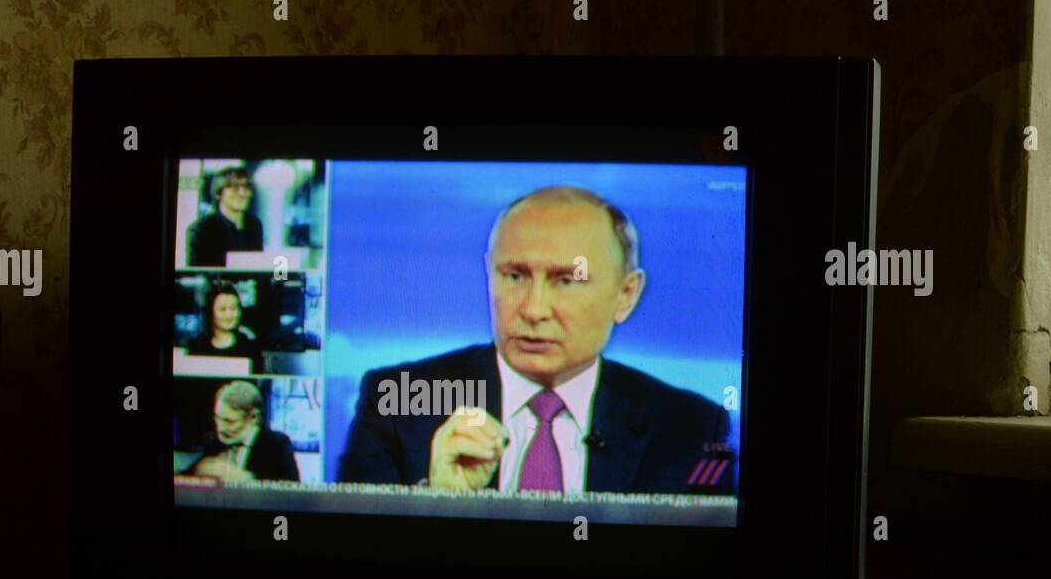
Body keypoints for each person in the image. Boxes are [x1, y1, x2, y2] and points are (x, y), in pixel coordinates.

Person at [337, 185, 735, 494]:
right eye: (514, 276)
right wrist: (437, 506)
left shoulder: (690, 426)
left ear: (625, 295)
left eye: (565, 281)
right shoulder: (400, 399)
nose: (534, 308)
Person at [182, 381, 300, 483]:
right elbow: (183, 479)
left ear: (253, 418)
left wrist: (246, 479)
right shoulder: (214, 441)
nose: (220, 429)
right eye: (217, 419)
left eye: (230, 421)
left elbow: (292, 488)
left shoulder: (277, 444)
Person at [186, 167, 264, 267]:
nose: (243, 193)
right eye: (235, 187)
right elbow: (197, 275)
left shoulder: (254, 224)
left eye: (247, 187)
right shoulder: (201, 229)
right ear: (218, 193)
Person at [185, 281, 262, 372]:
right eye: (222, 309)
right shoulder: (197, 348)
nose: (229, 315)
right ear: (210, 313)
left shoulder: (250, 349)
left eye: (234, 308)